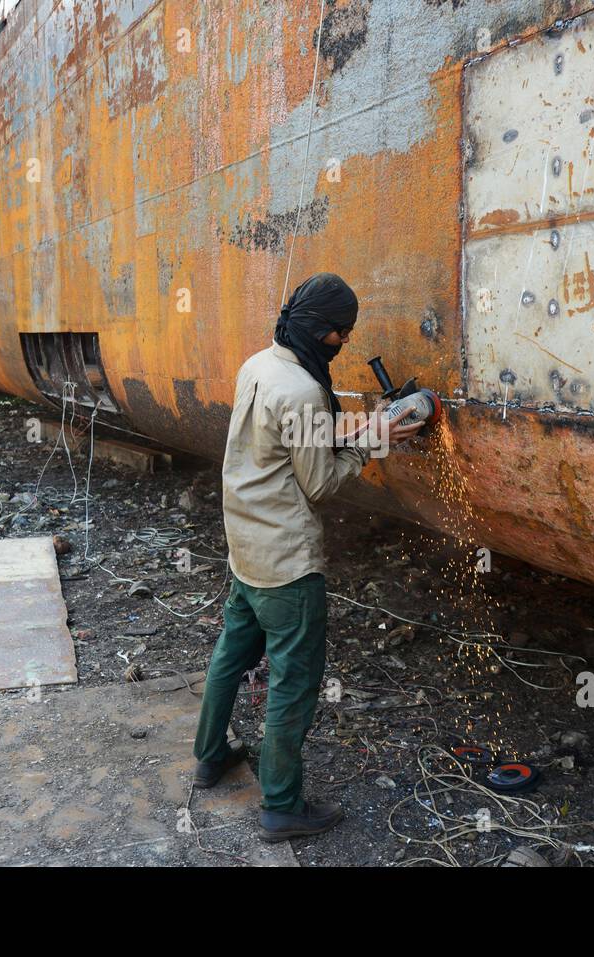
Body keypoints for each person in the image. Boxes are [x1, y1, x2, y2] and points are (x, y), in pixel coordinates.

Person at [191, 273, 424, 843]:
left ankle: (210, 755)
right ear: (323, 332)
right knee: (293, 682)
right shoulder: (300, 390)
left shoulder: (259, 366)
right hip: (287, 566)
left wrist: (351, 428)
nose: (343, 343)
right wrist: (374, 441)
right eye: (340, 335)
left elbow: (281, 444)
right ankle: (281, 805)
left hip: (246, 547)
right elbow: (318, 484)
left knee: (231, 653)